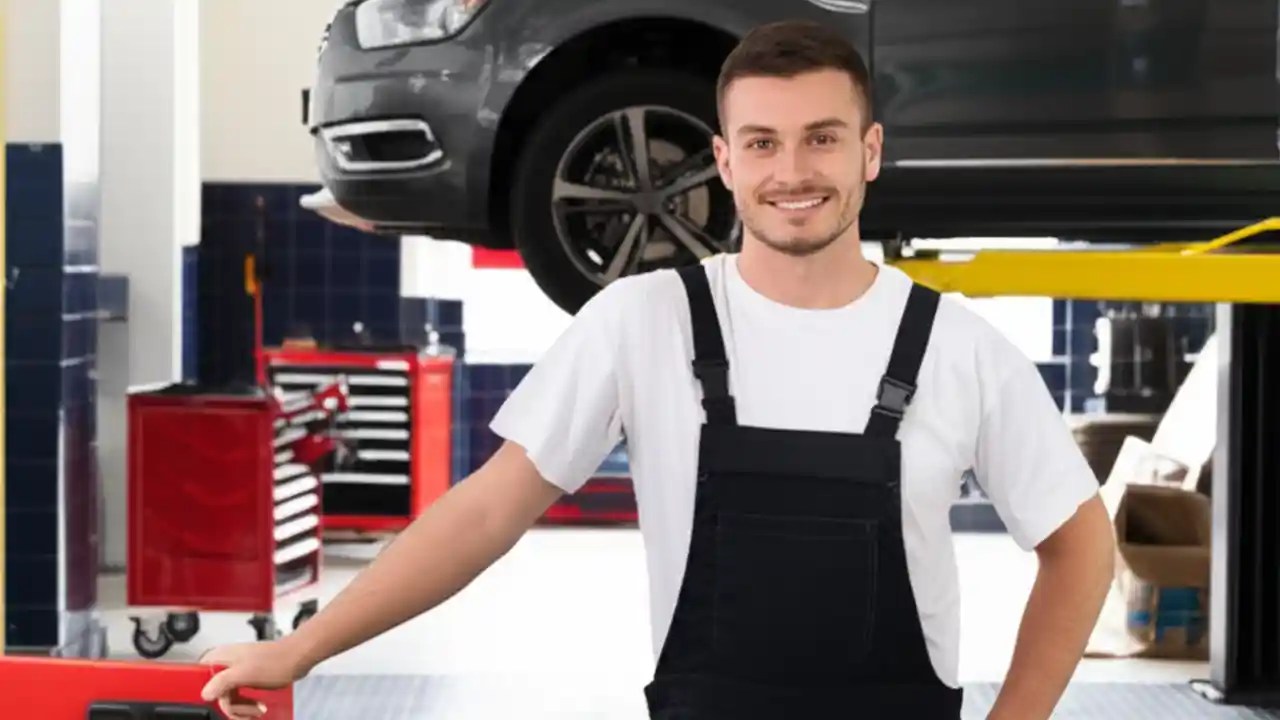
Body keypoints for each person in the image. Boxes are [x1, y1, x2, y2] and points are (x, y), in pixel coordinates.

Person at [199, 20, 1115, 720]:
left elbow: (1080, 546)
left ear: (869, 152)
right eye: (761, 142)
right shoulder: (644, 322)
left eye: (823, 138)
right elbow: (486, 509)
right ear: (722, 159)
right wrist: (304, 648)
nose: (792, 170)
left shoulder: (959, 346)